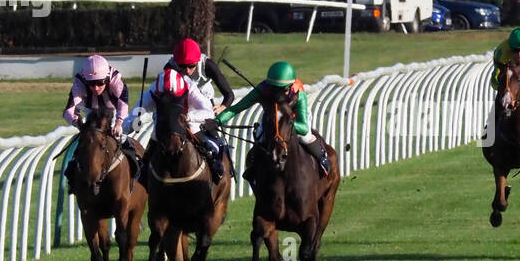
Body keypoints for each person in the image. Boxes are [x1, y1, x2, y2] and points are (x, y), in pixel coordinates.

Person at [217, 62, 332, 180]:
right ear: (269, 85)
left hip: (294, 118)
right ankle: (253, 170)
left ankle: (322, 161)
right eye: (275, 89)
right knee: (260, 138)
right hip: (271, 118)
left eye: (283, 89)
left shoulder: (298, 92)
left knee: (305, 137)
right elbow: (236, 108)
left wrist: (288, 124)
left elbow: (303, 127)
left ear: (291, 85)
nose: (279, 93)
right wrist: (217, 121)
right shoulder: (262, 89)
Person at [136, 55, 229, 184]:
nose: (187, 69)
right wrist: (130, 124)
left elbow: (208, 111)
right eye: (184, 66)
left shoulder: (188, 84)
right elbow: (138, 108)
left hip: (188, 119)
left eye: (191, 66)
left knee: (214, 147)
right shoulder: (158, 84)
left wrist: (191, 117)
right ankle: (143, 173)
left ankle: (216, 168)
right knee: (148, 153)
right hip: (164, 124)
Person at [61, 54, 141, 189]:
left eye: (99, 83)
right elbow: (68, 111)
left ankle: (137, 170)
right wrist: (79, 123)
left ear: (106, 78)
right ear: (86, 80)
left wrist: (119, 123)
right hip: (91, 114)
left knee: (122, 139)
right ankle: (73, 180)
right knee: (84, 145)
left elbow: (123, 104)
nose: (96, 88)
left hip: (114, 112)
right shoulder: (80, 81)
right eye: (91, 84)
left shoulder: (115, 78)